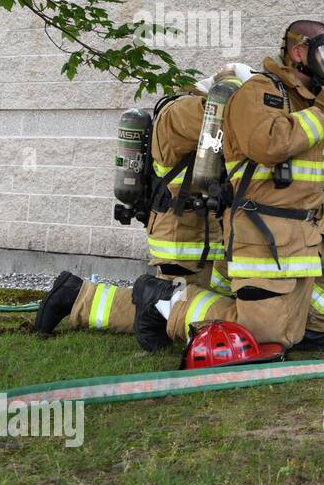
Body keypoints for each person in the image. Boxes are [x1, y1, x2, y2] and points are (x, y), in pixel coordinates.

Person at [132, 21, 324, 354]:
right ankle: (163, 299)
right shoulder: (258, 91)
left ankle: (307, 328)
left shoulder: (310, 102)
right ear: (298, 52)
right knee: (263, 339)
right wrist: (323, 110)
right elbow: (266, 144)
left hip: (311, 229)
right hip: (266, 235)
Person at [33, 64, 252, 335]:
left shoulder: (199, 114)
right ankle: (76, 297)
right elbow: (225, 119)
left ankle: (75, 294)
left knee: (180, 305)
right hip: (182, 240)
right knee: (170, 308)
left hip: (198, 236)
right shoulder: (182, 112)